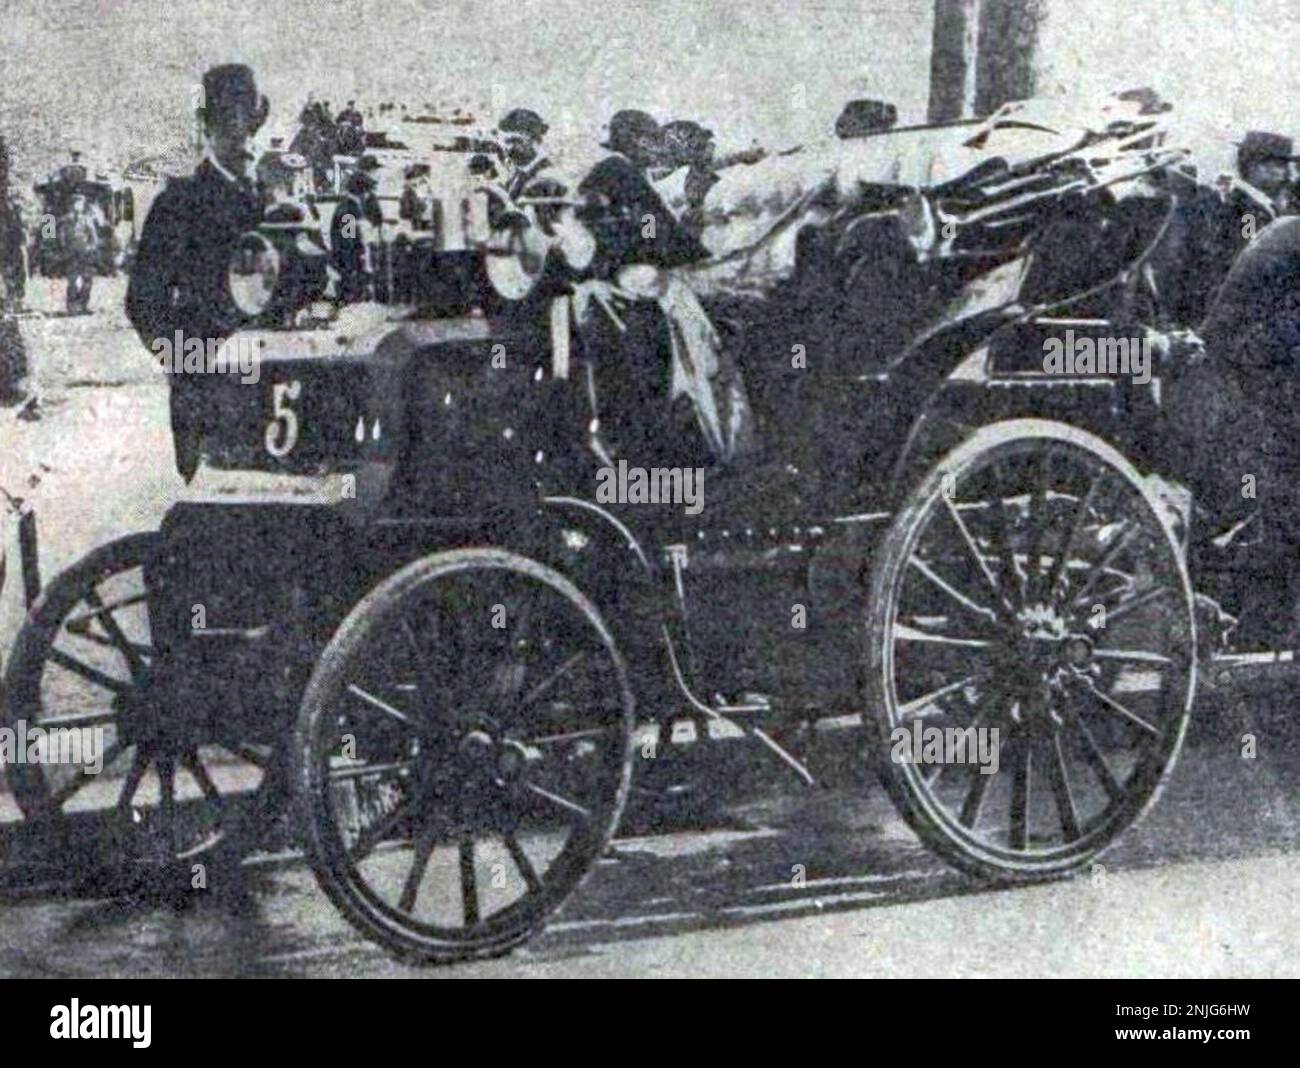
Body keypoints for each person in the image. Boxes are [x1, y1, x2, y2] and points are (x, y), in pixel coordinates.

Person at [126, 62, 266, 481]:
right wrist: (189, 366)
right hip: (208, 392)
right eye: (228, 121)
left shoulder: (268, 203)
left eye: (247, 120)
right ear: (208, 129)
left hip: (272, 384)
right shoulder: (179, 203)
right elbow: (143, 303)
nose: (241, 134)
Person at [329, 154, 384, 303]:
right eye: (367, 191)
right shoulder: (347, 209)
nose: (369, 195)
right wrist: (356, 264)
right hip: (349, 267)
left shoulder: (355, 205)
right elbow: (347, 241)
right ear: (361, 191)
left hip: (356, 263)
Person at [60, 191, 103, 314]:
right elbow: (61, 237)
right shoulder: (65, 220)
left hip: (85, 253)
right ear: (71, 205)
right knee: (72, 281)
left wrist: (91, 249)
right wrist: (63, 250)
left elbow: (94, 237)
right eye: (75, 203)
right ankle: (72, 306)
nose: (77, 206)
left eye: (80, 203)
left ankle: (83, 305)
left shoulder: (87, 220)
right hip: (72, 254)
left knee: (87, 280)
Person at [498, 108, 552, 201]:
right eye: (507, 142)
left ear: (532, 140)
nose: (509, 148)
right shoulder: (516, 174)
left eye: (515, 141)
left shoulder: (544, 174)